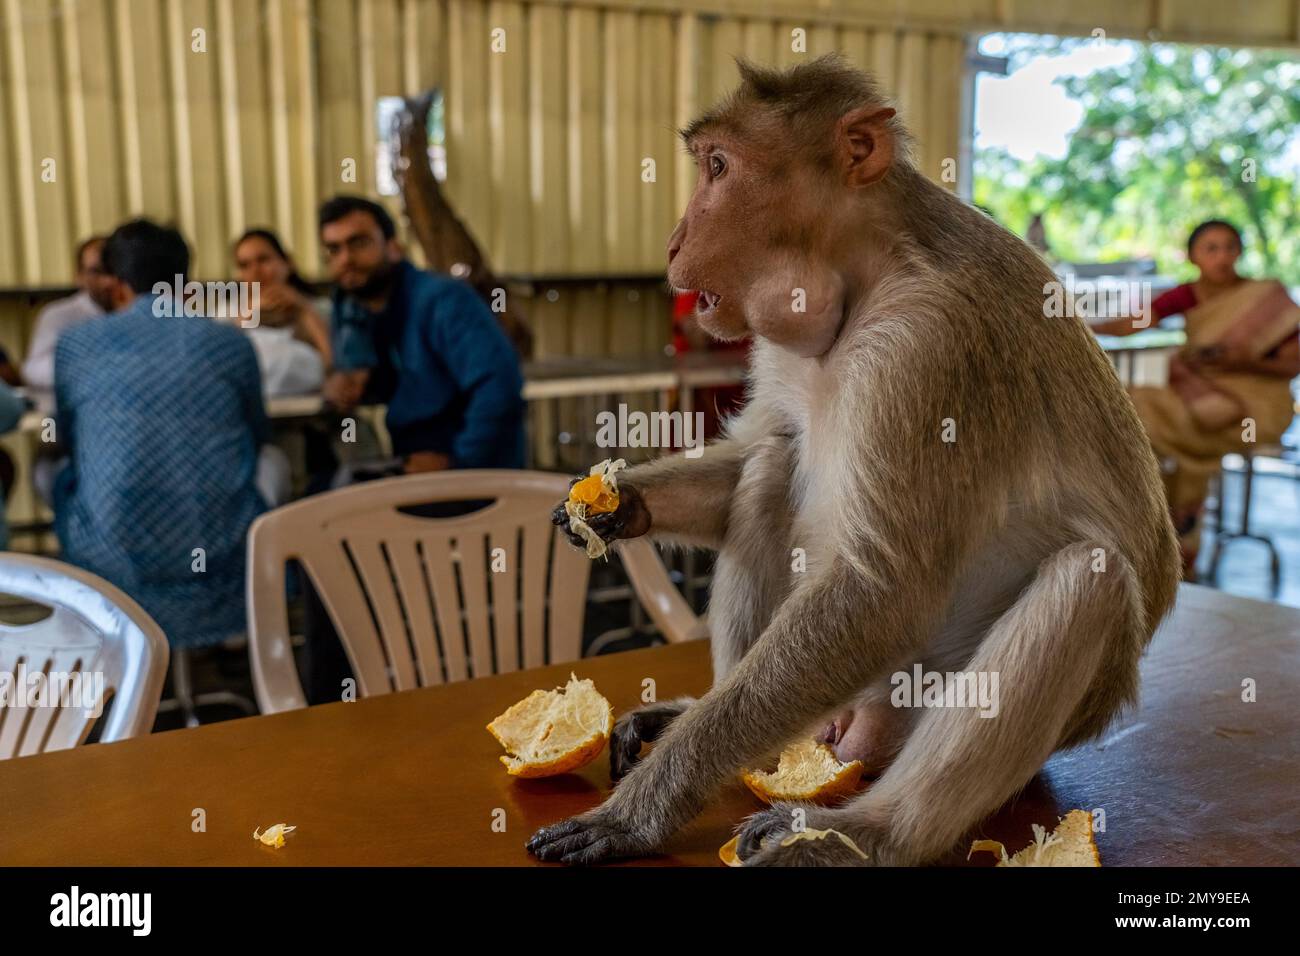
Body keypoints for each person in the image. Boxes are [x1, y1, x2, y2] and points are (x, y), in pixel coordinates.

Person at [52, 219, 290, 648]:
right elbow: (259, 432)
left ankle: (83, 614)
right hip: (220, 555)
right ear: (186, 276)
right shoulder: (227, 341)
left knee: (60, 469)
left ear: (115, 282)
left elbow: (67, 440)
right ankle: (266, 586)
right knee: (274, 458)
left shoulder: (76, 344)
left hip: (113, 567)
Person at [1094, 220, 1300, 575]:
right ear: (1193, 256)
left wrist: (1243, 362)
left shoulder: (1266, 297)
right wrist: (1077, 325)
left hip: (1255, 406)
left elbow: (1293, 364)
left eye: (1229, 247)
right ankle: (1166, 539)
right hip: (1198, 397)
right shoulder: (1186, 295)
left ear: (1240, 253)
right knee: (1129, 406)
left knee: (1149, 422)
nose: (1222, 257)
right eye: (1211, 248)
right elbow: (1132, 323)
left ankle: (1166, 542)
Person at [319, 195, 525, 474]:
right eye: (333, 249)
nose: (346, 259)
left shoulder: (442, 300)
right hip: (414, 464)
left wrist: (457, 463)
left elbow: (499, 384)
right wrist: (345, 385)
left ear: (394, 247)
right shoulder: (354, 313)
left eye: (358, 243)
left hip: (472, 475)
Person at [232, 228, 333, 396]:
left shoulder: (322, 309)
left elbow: (335, 365)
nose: (255, 272)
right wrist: (248, 316)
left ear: (288, 262)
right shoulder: (227, 314)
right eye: (244, 265)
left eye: (263, 260)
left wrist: (303, 309)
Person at [23, 236, 116, 408]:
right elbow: (34, 369)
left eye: (112, 270)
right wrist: (91, 369)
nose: (106, 281)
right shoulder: (60, 315)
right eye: (96, 271)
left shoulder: (137, 311)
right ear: (79, 276)